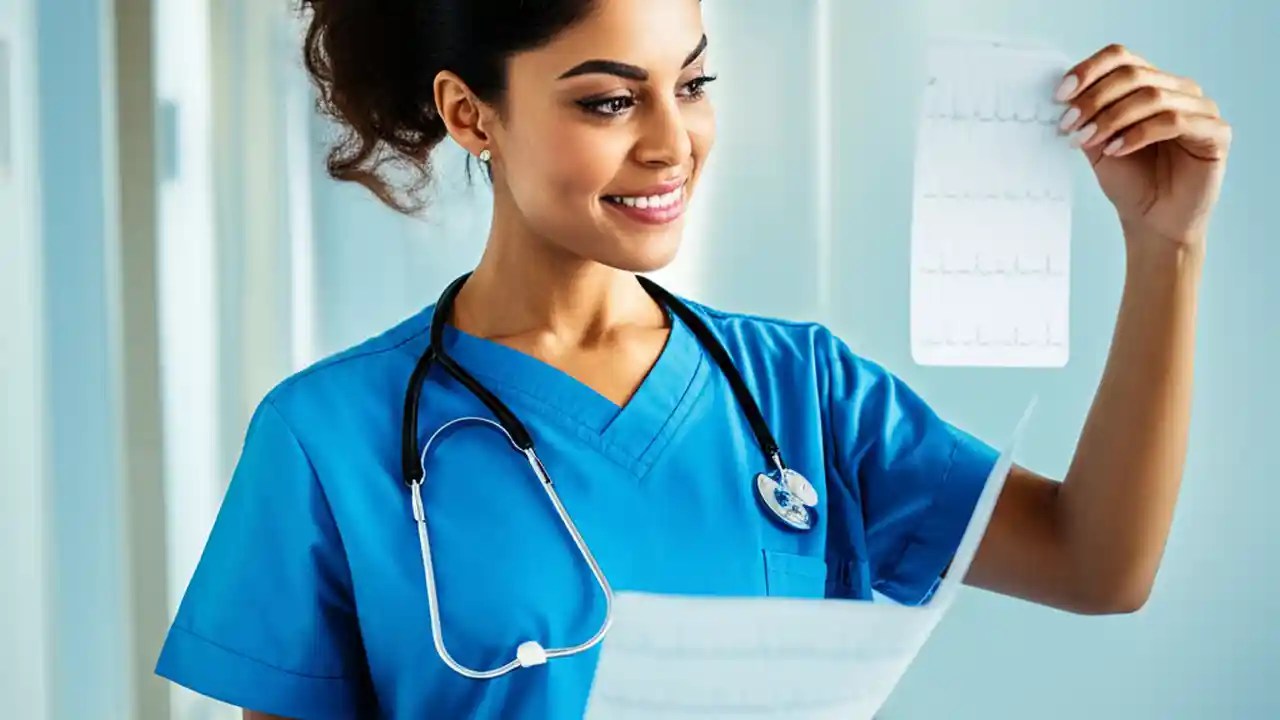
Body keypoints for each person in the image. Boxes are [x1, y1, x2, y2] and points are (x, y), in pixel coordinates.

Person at [154, 0, 1232, 717]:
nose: (671, 141)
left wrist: (1165, 246)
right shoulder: (329, 439)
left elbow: (1097, 565)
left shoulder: (799, 393)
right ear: (469, 113)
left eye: (694, 82)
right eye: (609, 100)